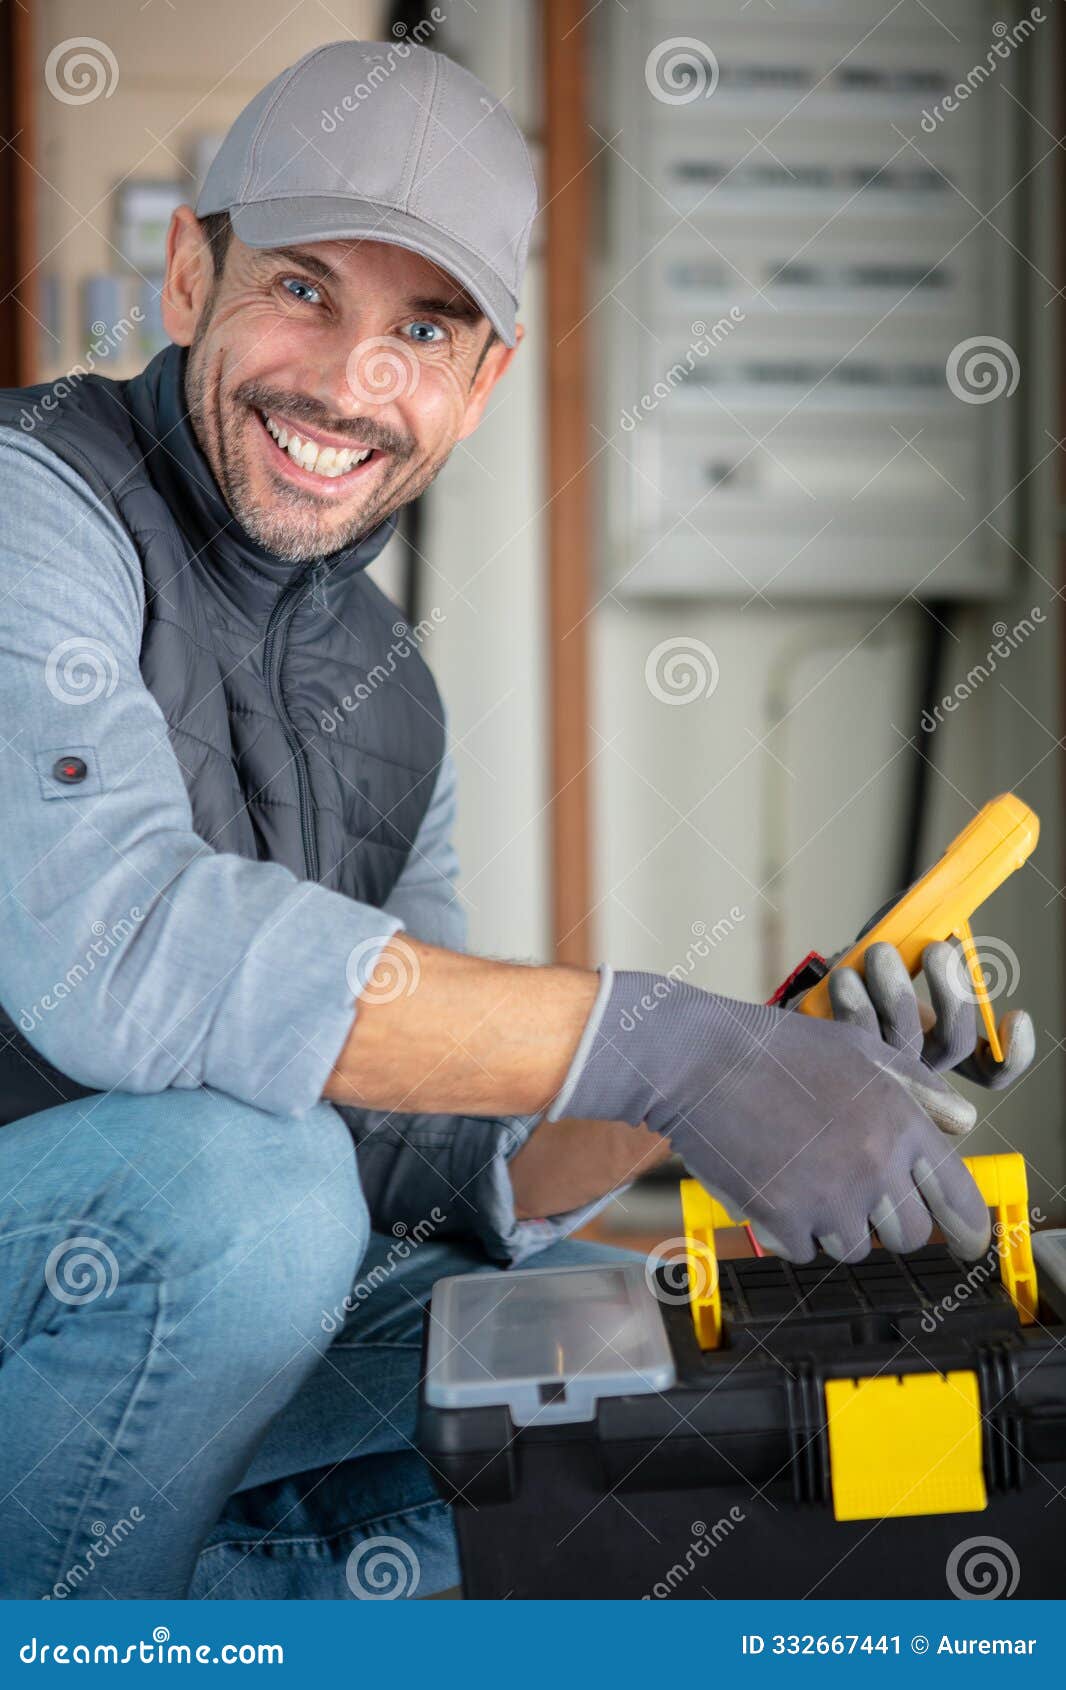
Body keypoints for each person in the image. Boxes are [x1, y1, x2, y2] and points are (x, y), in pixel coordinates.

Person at [0, 39, 1033, 1599]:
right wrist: (661, 1040)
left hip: (147, 1324)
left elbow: (435, 1152)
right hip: (73, 1263)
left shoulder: (386, 694)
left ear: (484, 382)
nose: (349, 384)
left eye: (422, 327)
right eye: (302, 291)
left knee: (576, 1330)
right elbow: (126, 940)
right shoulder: (34, 510)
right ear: (188, 275)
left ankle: (234, 1583)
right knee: (251, 1197)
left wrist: (761, 1068)